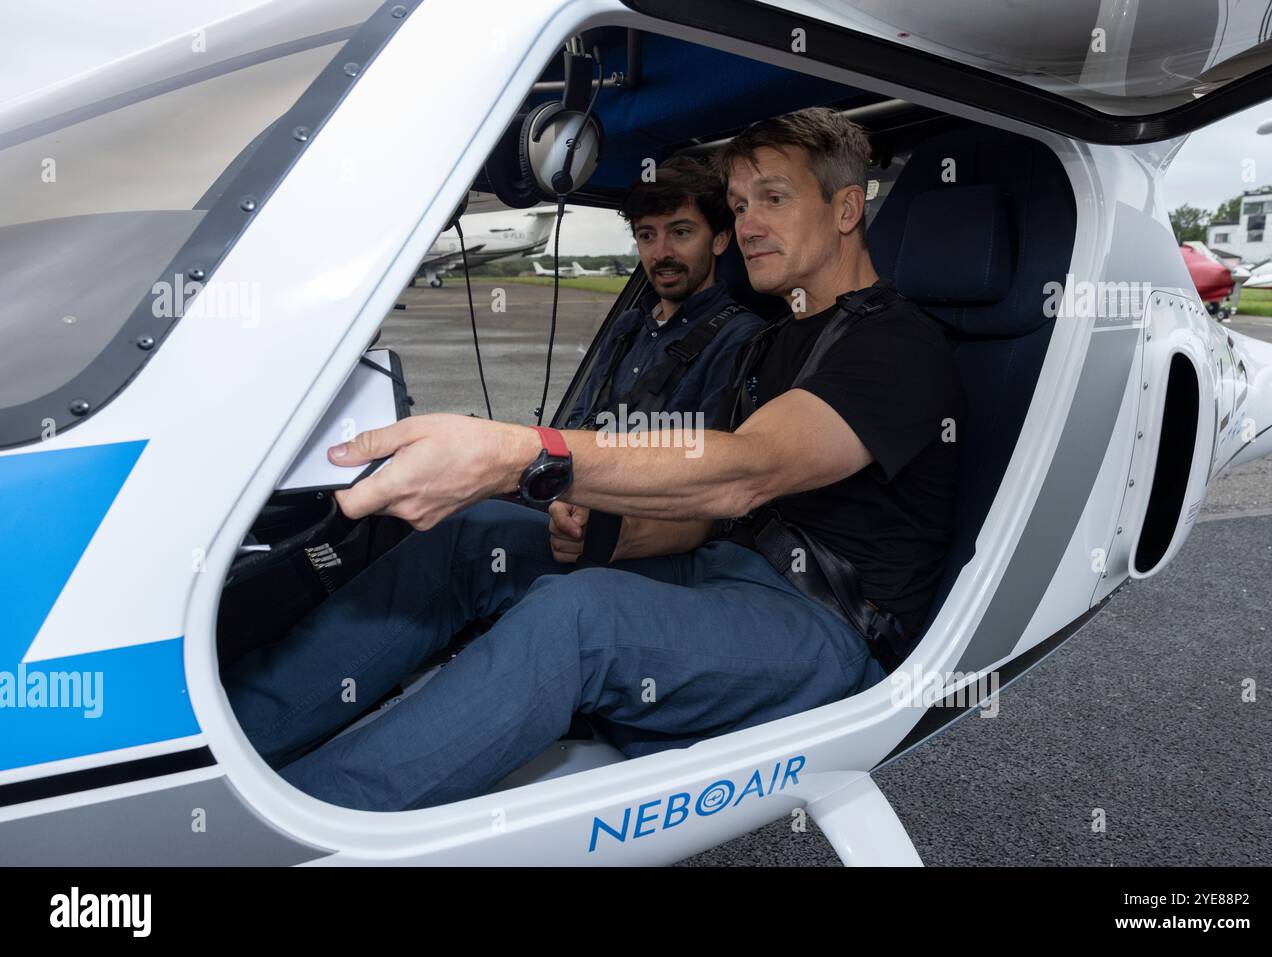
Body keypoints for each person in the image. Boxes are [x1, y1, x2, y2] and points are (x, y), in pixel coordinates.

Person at [222, 107, 964, 812]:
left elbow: (747, 470)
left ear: (845, 209)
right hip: (724, 572)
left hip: (820, 626)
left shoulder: (896, 343)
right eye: (738, 207)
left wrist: (524, 455)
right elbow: (711, 512)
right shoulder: (776, 340)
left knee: (575, 618)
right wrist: (617, 535)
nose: (748, 227)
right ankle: (223, 752)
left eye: (772, 198)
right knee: (469, 534)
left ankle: (287, 828)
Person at [562, 154, 763, 432]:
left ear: (719, 240)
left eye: (680, 232)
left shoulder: (741, 336)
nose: (661, 253)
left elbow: (707, 457)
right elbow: (580, 415)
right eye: (647, 235)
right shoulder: (628, 326)